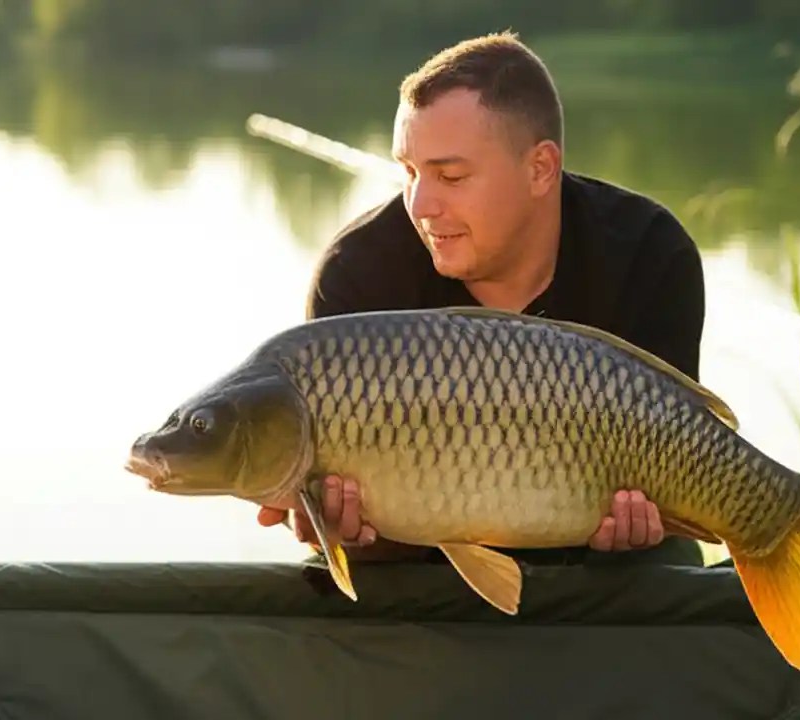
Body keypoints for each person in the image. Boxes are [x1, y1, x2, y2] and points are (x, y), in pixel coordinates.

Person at [256, 31, 707, 567]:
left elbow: (681, 455)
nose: (421, 204)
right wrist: (331, 525)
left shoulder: (650, 252)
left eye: (450, 175)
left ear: (540, 168)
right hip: (414, 566)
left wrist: (654, 519)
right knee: (328, 578)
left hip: (607, 561)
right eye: (409, 171)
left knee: (667, 561)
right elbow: (335, 497)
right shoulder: (357, 275)